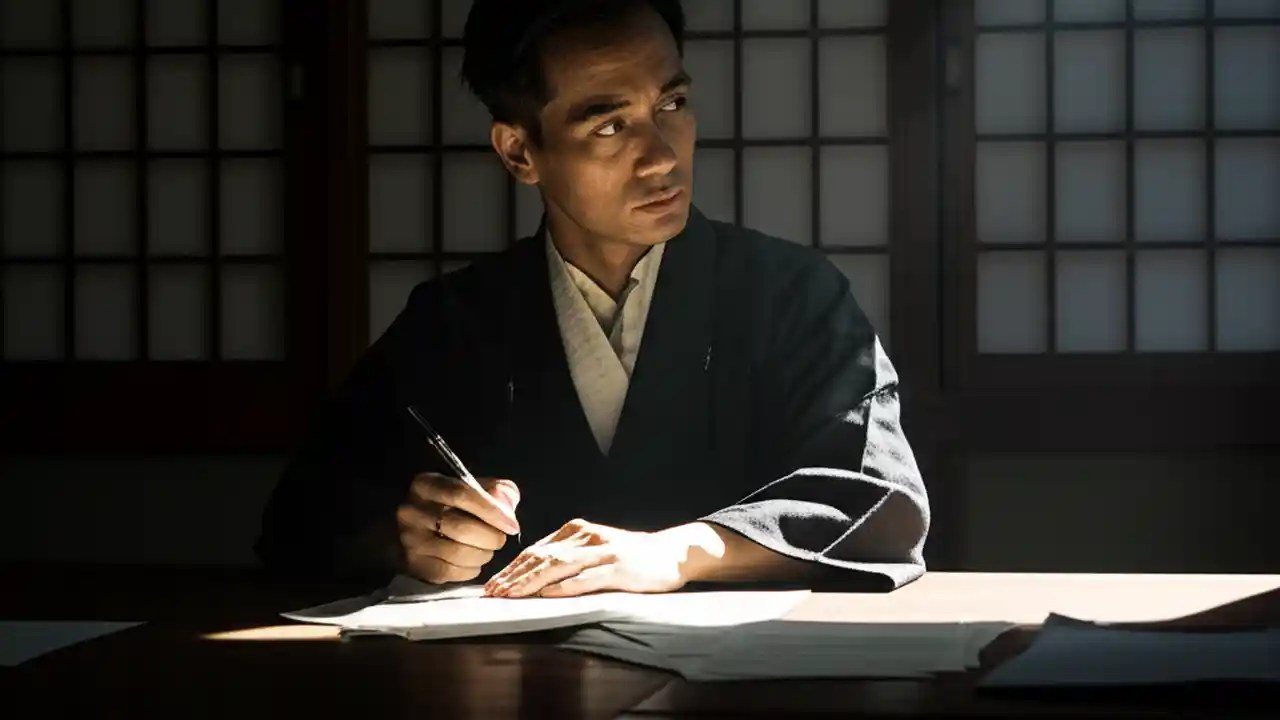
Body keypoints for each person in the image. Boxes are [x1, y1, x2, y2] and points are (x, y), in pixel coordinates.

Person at [255, 0, 929, 599]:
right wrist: (405, 538)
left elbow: (880, 502)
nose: (662, 156)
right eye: (610, 127)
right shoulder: (455, 320)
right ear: (520, 152)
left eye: (672, 105)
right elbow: (304, 517)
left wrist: (679, 552)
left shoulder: (791, 294)